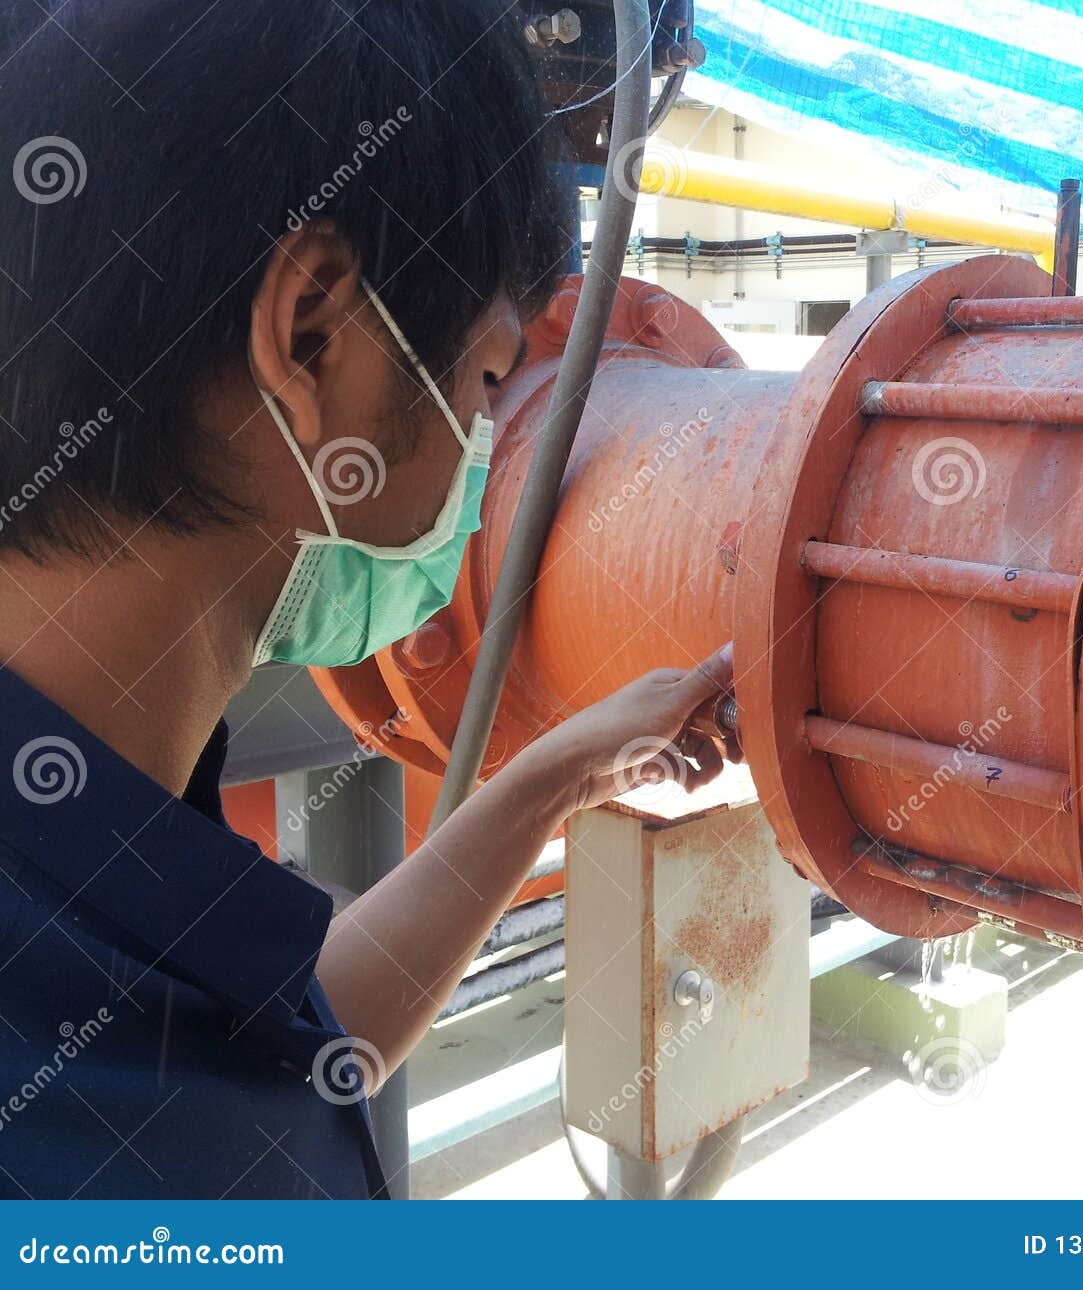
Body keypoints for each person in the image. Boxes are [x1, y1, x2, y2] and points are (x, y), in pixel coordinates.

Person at [0, 1, 733, 1198]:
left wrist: (554, 775)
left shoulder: (95, 799)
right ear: (314, 331)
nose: (491, 439)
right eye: (491, 376)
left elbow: (291, 1034)